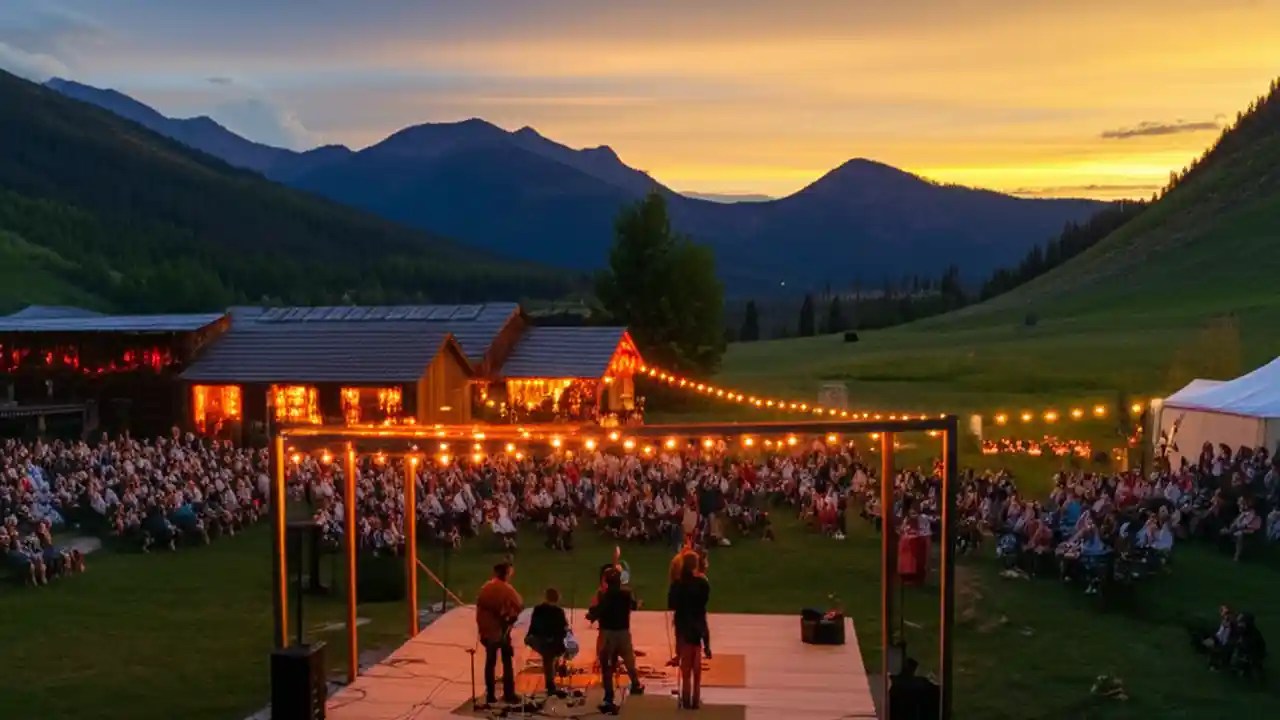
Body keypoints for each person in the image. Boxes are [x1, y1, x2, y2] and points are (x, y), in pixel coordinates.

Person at [587, 566, 644, 713]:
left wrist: (591, 613)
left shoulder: (605, 596)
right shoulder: (626, 594)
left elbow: (597, 611)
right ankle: (636, 684)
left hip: (608, 635)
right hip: (623, 633)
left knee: (607, 666)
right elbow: (633, 606)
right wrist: (637, 604)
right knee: (629, 660)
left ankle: (609, 696)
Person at [476, 561, 523, 705]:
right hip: (501, 630)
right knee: (507, 661)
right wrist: (509, 615)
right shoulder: (507, 589)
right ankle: (509, 693)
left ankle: (490, 694)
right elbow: (519, 604)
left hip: (486, 631)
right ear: (507, 574)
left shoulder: (486, 588)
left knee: (490, 663)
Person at [668, 551, 711, 709]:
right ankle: (695, 700)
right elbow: (704, 601)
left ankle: (685, 699)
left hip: (683, 628)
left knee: (685, 669)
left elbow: (671, 604)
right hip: (698, 628)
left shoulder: (678, 585)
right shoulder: (702, 584)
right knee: (697, 670)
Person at [526, 587, 570, 698]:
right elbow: (563, 629)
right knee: (550, 656)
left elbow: (533, 627)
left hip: (539, 639)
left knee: (548, 657)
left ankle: (551, 681)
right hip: (552, 642)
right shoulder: (559, 612)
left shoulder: (538, 609)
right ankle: (551, 685)